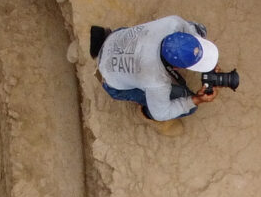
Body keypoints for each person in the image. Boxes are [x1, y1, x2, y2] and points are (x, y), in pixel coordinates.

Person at [90, 17, 224, 123]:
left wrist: (209, 63)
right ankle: (145, 113)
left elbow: (192, 35)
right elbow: (161, 113)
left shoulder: (173, 23)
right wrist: (196, 100)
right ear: (176, 68)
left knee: (199, 29)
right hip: (109, 80)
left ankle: (103, 46)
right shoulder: (156, 81)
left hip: (115, 40)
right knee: (187, 104)